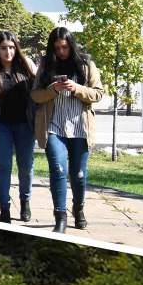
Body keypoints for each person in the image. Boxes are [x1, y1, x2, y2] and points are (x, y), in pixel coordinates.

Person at [31, 27, 104, 233]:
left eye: (64, 47)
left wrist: (77, 88)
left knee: (79, 175)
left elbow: (99, 94)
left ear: (71, 45)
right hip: (53, 127)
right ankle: (60, 217)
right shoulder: (46, 66)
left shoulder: (86, 64)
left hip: (80, 129)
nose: (61, 52)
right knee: (58, 170)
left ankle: (78, 209)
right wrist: (52, 89)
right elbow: (35, 95)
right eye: (57, 48)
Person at [0, 30, 36, 224]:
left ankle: (25, 200)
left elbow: (38, 96)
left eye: (11, 48)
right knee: (4, 166)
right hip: (1, 126)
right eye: (3, 48)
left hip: (25, 125)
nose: (8, 52)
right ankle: (4, 207)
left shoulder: (27, 67)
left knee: (26, 166)